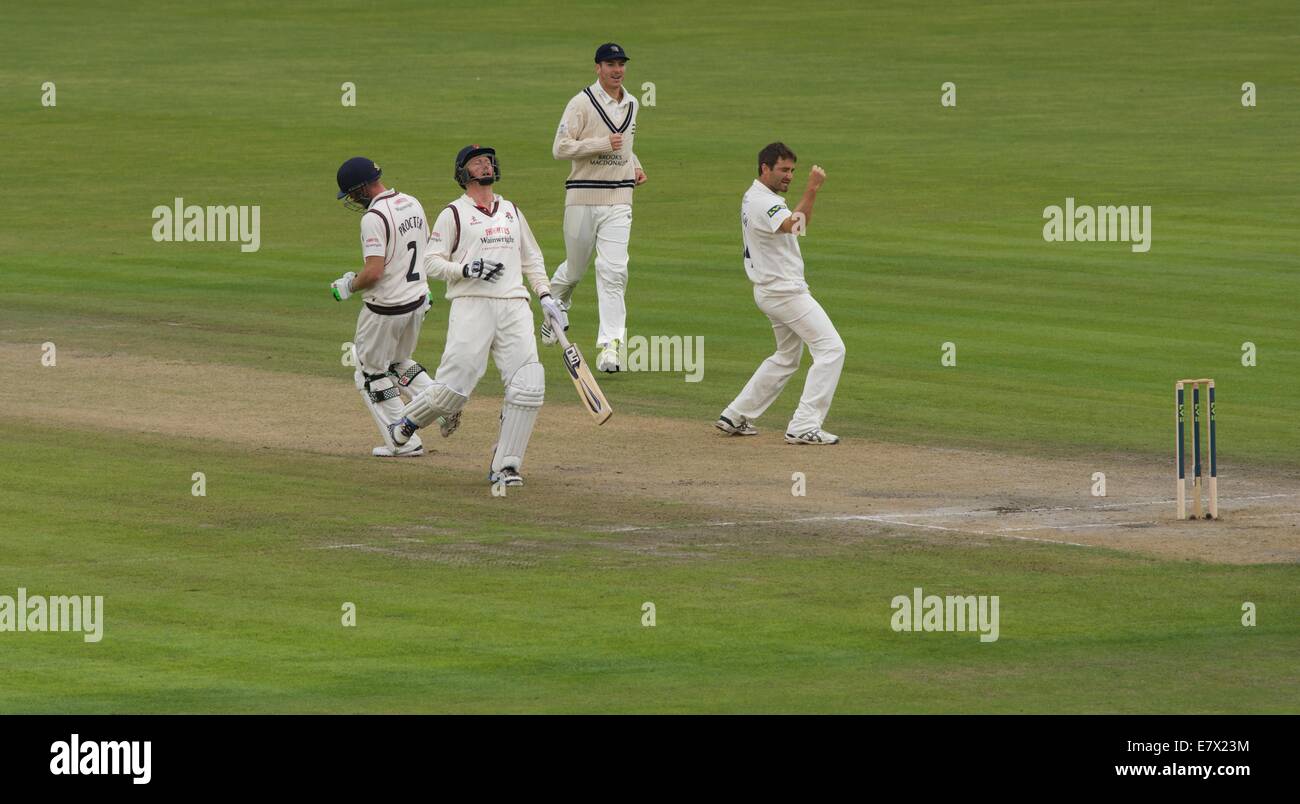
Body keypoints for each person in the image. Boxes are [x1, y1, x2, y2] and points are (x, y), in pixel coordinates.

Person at [387, 145, 568, 486]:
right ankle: (408, 421)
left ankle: (505, 465)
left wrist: (546, 297)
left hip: (514, 305)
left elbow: (531, 259)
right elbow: (431, 261)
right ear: (463, 173)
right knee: (453, 392)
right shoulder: (453, 213)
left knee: (528, 386)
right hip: (471, 305)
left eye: (488, 161)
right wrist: (465, 269)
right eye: (477, 162)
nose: (485, 165)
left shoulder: (511, 211)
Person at [716, 142, 845, 445]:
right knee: (831, 349)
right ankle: (803, 424)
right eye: (783, 170)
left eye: (793, 171)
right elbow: (795, 226)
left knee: (787, 356)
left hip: (770, 290)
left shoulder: (754, 196)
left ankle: (735, 414)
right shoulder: (764, 202)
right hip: (785, 292)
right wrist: (812, 189)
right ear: (765, 168)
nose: (789, 176)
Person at [544, 42, 647, 372]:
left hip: (619, 198)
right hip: (582, 196)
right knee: (574, 271)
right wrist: (601, 144)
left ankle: (610, 346)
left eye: (621, 64)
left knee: (614, 271)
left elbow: (626, 145)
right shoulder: (581, 103)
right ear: (598, 68)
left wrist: (635, 165)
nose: (617, 70)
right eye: (610, 64)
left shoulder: (632, 103)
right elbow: (560, 148)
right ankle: (555, 306)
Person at [330, 156, 436, 457]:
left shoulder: (373, 217)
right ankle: (440, 404)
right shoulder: (412, 202)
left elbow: (374, 272)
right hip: (417, 301)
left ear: (362, 188)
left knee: (370, 374)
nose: (352, 200)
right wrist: (424, 289)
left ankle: (403, 440)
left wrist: (348, 285)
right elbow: (427, 251)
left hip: (385, 309)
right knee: (399, 361)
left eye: (352, 194)